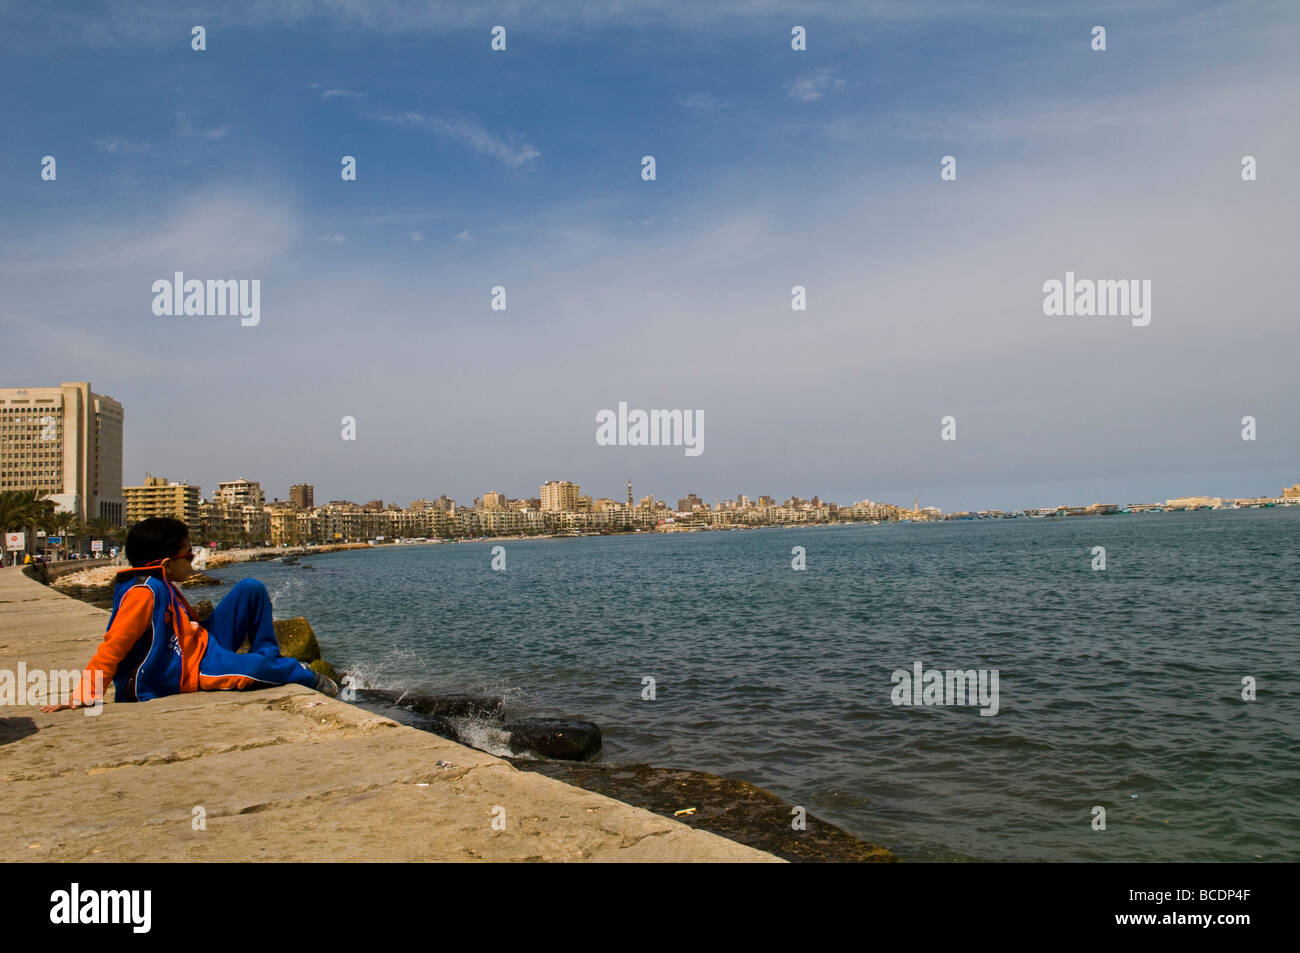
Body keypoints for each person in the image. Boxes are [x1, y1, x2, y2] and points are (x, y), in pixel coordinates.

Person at [41, 517, 337, 712]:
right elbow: (113, 645)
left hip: (200, 644)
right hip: (187, 670)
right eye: (189, 554)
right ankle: (302, 675)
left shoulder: (161, 582)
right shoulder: (144, 592)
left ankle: (268, 655)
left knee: (250, 588)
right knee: (253, 671)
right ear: (167, 563)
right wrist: (85, 694)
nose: (194, 560)